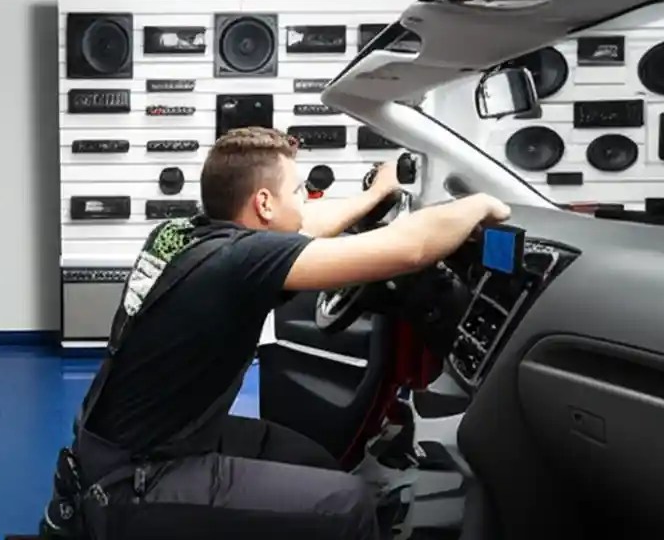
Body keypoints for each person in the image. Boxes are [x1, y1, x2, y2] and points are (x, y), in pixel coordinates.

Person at [49, 127, 511, 540]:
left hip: (132, 443)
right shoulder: (243, 262)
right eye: (298, 190)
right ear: (264, 203)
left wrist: (376, 196)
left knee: (308, 458)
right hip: (136, 479)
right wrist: (481, 203)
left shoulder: (182, 234)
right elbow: (411, 250)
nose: (306, 199)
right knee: (349, 504)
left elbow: (311, 225)